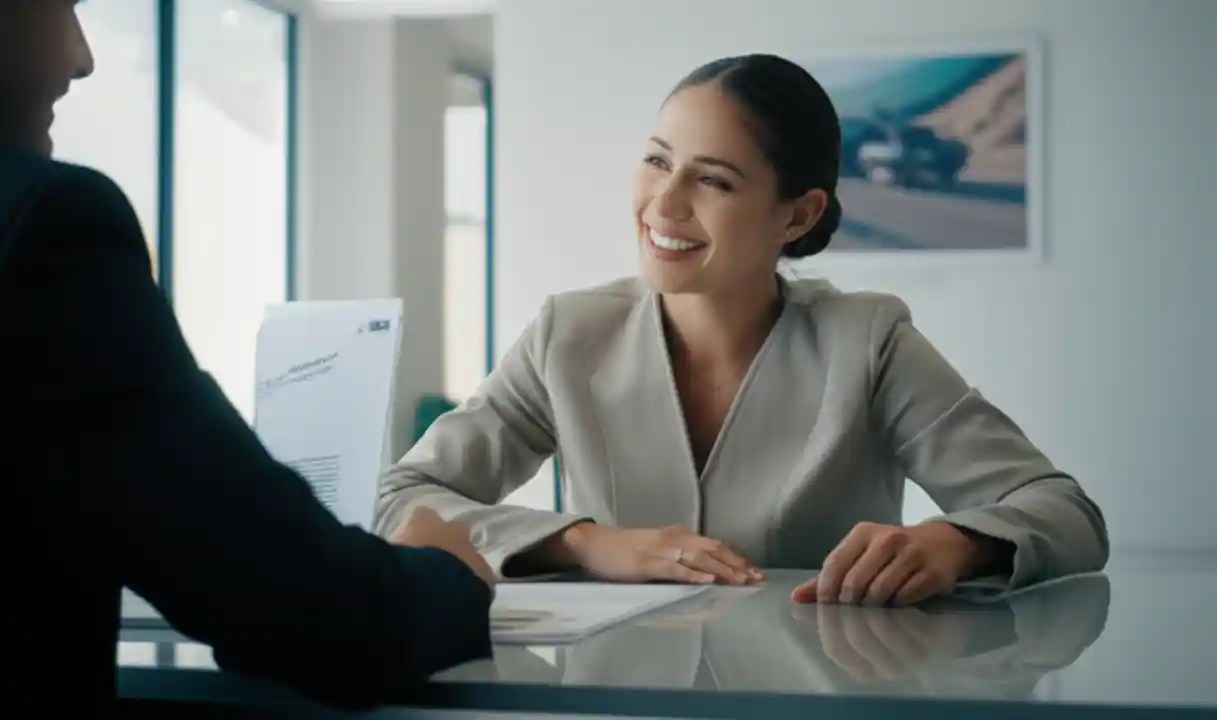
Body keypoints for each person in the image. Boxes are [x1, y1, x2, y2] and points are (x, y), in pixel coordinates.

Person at [376, 53, 1109, 606]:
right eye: (657, 161)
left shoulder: (871, 341)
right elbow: (401, 497)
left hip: (819, 702)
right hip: (620, 703)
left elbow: (1064, 512)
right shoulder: (568, 334)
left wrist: (953, 544)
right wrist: (586, 544)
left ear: (798, 215)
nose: (664, 203)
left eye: (713, 180)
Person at [1, 1, 495, 709]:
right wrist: (451, 576)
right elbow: (307, 609)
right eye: (61, 7)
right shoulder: (43, 231)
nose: (81, 57)